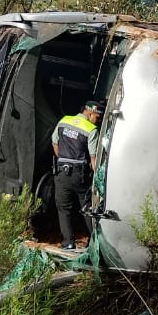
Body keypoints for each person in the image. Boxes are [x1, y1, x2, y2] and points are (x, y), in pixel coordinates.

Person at [51, 100, 103, 250]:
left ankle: (68, 242)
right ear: (91, 112)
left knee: (63, 208)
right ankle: (94, 242)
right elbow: (93, 159)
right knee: (87, 208)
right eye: (97, 117)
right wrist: (98, 179)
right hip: (79, 174)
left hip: (61, 172)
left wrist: (62, 158)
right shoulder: (91, 129)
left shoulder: (63, 121)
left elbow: (54, 142)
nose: (97, 121)